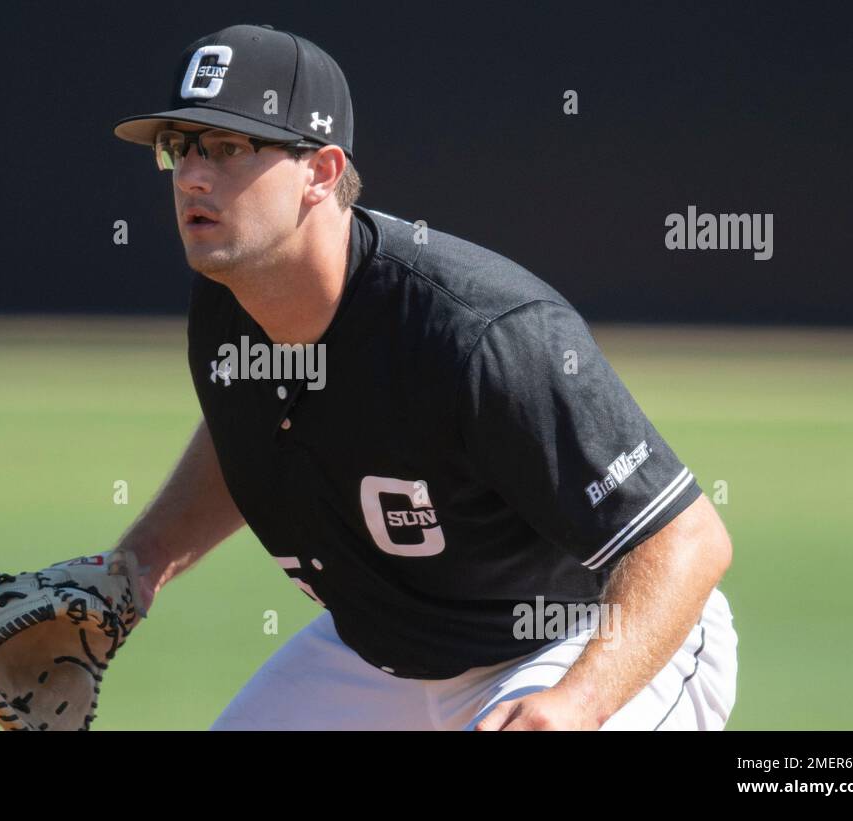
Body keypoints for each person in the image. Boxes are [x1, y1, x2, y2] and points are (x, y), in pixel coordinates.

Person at [109, 23, 737, 730]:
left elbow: (686, 541)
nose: (191, 174)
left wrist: (580, 701)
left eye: (227, 147)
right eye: (179, 147)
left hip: (591, 638)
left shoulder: (478, 332)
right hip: (381, 660)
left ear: (319, 171)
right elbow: (245, 428)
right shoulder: (230, 303)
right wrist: (133, 569)